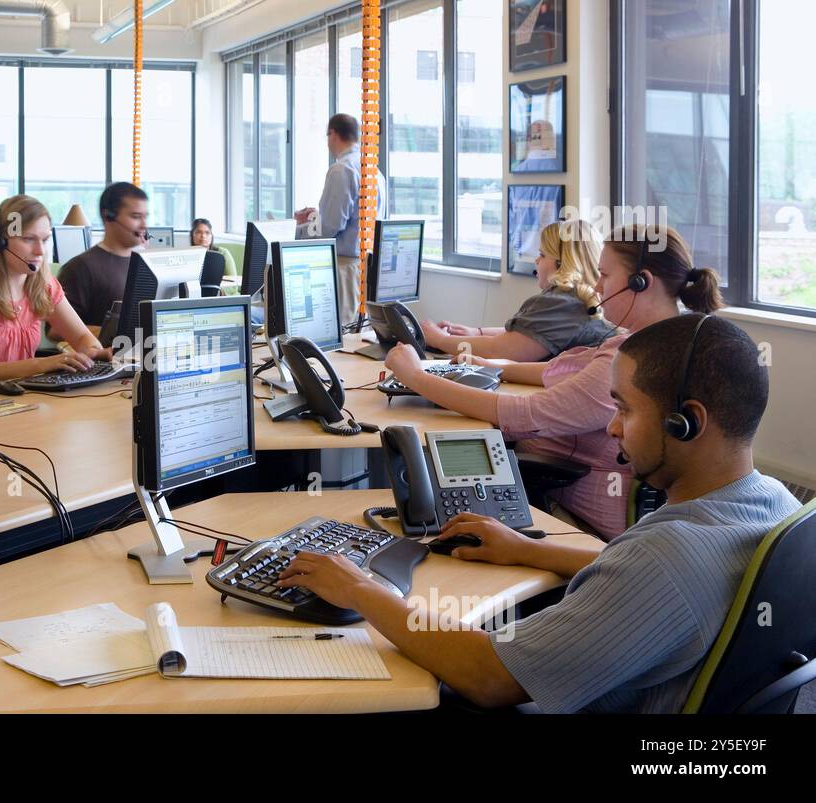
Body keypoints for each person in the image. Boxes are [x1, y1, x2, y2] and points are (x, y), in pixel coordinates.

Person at [279, 314, 799, 713]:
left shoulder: (667, 559)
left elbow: (489, 677)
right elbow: (650, 577)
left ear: (687, 423)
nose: (613, 429)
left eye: (625, 408)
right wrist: (529, 549)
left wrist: (360, 590)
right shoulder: (774, 503)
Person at [384, 225, 724, 540]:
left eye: (605, 275)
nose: (599, 287)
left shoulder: (636, 360)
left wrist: (417, 376)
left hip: (581, 517)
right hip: (583, 488)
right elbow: (565, 368)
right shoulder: (660, 341)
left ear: (641, 282)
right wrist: (492, 366)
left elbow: (525, 415)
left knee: (439, 469)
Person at [421, 219, 611, 360]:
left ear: (562, 263)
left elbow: (500, 350)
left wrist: (439, 339)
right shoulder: (584, 298)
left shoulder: (561, 301)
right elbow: (529, 336)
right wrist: (477, 333)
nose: (537, 261)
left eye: (542, 254)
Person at [0, 195, 112, 382]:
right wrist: (41, 365)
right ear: (2, 241)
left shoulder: (42, 285)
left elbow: (82, 336)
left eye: (44, 240)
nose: (40, 251)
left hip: (25, 397)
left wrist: (91, 352)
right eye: (28, 239)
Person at [57, 182, 149, 335]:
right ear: (109, 217)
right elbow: (55, 330)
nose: (144, 225)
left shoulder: (145, 265)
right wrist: (116, 332)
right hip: (108, 356)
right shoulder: (80, 267)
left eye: (145, 217)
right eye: (136, 217)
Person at [295, 113, 361, 327]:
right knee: (355, 330)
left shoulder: (341, 169)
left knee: (340, 335)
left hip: (342, 266)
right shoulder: (373, 170)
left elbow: (330, 227)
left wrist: (298, 231)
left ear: (333, 134)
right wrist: (317, 216)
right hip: (362, 266)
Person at [190, 217, 237, 281]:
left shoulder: (223, 253)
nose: (203, 236)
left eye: (207, 233)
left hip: (221, 290)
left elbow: (233, 283)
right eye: (198, 232)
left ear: (212, 235)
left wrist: (217, 289)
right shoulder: (188, 255)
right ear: (192, 235)